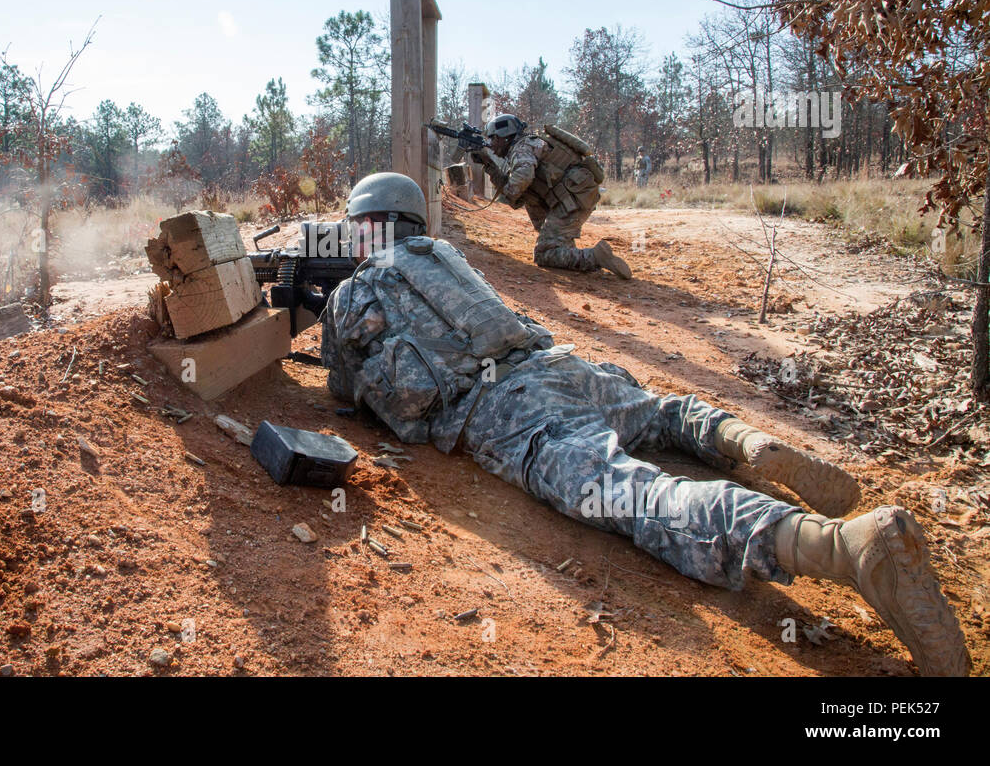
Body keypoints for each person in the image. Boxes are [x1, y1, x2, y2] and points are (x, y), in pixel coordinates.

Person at [321, 172, 970, 676]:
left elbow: (344, 392)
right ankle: (751, 442)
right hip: (556, 365)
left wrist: (321, 298)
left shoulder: (354, 292)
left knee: (633, 493)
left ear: (365, 228)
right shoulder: (446, 256)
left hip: (502, 412)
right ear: (413, 220)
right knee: (659, 412)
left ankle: (843, 548)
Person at [466, 114, 631, 279]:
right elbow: (517, 197)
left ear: (504, 137)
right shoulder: (526, 146)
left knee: (544, 254)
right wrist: (488, 164)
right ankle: (570, 253)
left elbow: (518, 184)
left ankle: (595, 257)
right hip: (570, 198)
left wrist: (504, 186)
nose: (491, 144)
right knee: (535, 206)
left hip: (571, 201)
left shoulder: (523, 148)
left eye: (493, 139)